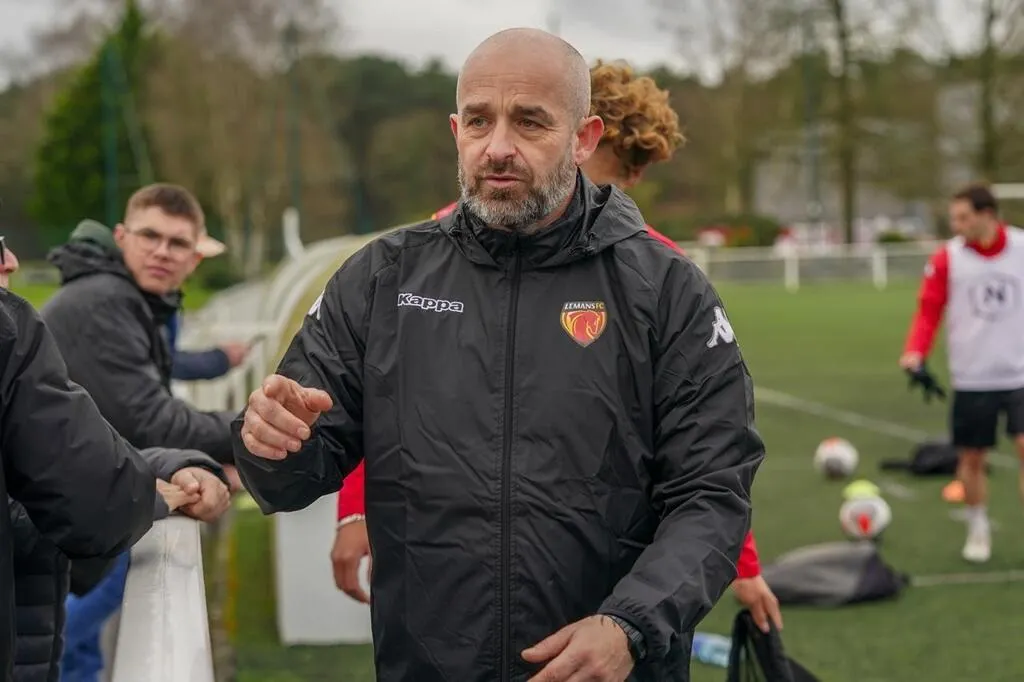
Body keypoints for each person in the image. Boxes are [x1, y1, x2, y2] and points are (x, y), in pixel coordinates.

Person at [235, 28, 765, 682]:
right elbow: (291, 474)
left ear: (585, 138)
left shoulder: (668, 290)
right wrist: (269, 442)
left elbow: (712, 492)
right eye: (480, 122)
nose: (499, 148)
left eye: (530, 122)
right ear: (456, 130)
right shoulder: (379, 279)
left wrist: (630, 624)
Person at [41, 185, 235, 682]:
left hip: (90, 497)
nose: (161, 251)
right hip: (69, 514)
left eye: (177, 243)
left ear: (193, 256)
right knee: (64, 644)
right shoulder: (103, 301)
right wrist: (251, 432)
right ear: (123, 237)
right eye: (150, 236)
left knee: (78, 652)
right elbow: (149, 419)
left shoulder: (127, 299)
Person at [0, 244, 161, 681]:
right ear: (123, 239)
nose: (11, 260)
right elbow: (97, 504)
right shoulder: (11, 327)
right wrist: (158, 488)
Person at [900, 182, 1024, 564]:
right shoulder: (946, 259)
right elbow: (929, 310)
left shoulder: (1022, 248)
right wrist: (914, 352)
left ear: (987, 215)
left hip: (1020, 374)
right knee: (971, 459)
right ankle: (978, 527)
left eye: (963, 217)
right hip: (973, 376)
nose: (956, 225)